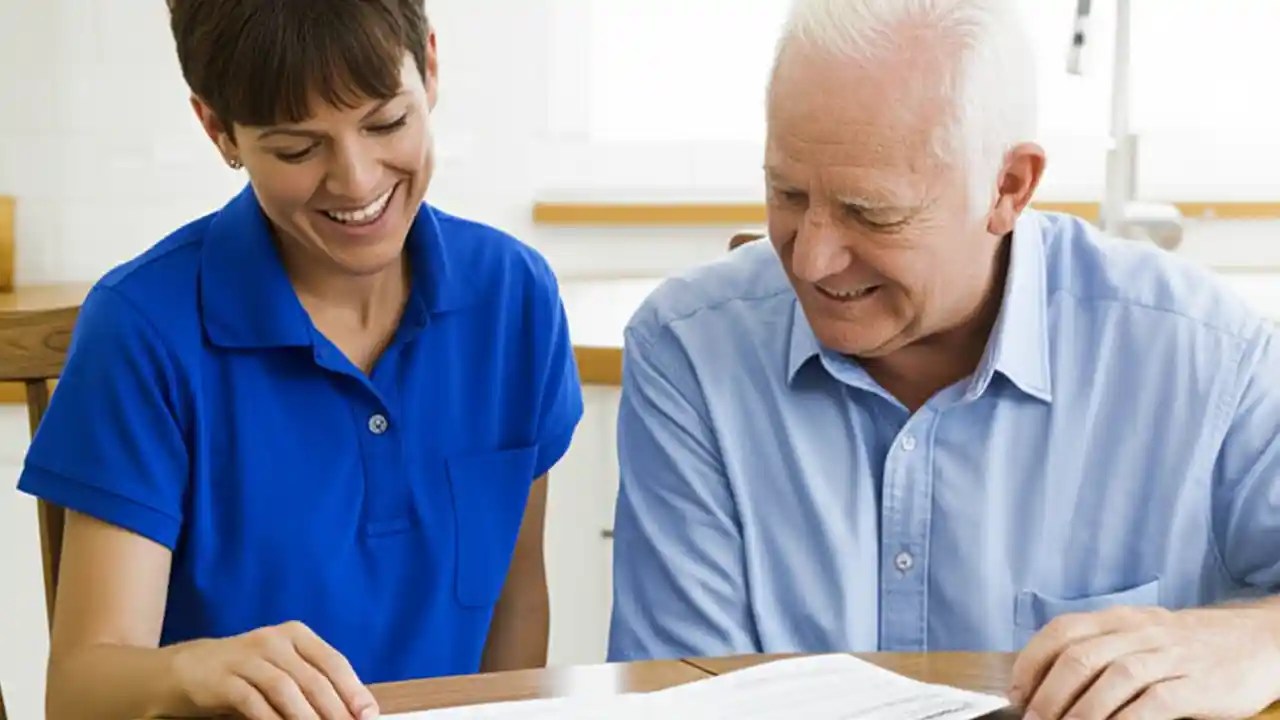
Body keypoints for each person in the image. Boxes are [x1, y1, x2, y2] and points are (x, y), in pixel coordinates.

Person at [608, 0, 1280, 718]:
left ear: (1008, 187)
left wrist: (1254, 641)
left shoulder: (1204, 356)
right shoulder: (689, 351)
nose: (810, 257)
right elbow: (680, 698)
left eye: (872, 212)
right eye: (788, 194)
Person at [17, 2, 583, 718]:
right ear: (218, 128)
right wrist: (196, 668)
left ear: (430, 68)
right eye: (296, 148)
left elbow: (516, 601)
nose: (355, 180)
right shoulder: (143, 329)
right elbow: (80, 693)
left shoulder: (513, 299)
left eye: (386, 123)